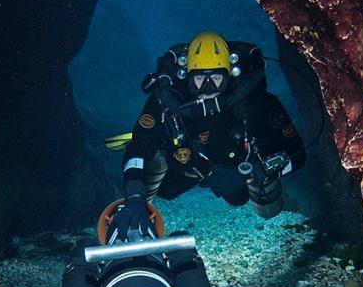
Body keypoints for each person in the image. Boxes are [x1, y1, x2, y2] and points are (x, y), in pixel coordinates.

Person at [107, 32, 305, 242]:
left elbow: (298, 154)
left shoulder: (255, 103)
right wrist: (134, 193)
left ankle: (257, 184)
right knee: (150, 161)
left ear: (230, 76)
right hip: (184, 168)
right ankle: (136, 220)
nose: (208, 88)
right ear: (187, 76)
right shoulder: (167, 100)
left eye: (217, 78)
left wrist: (251, 172)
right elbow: (138, 147)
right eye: (200, 79)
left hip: (237, 168)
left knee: (268, 210)